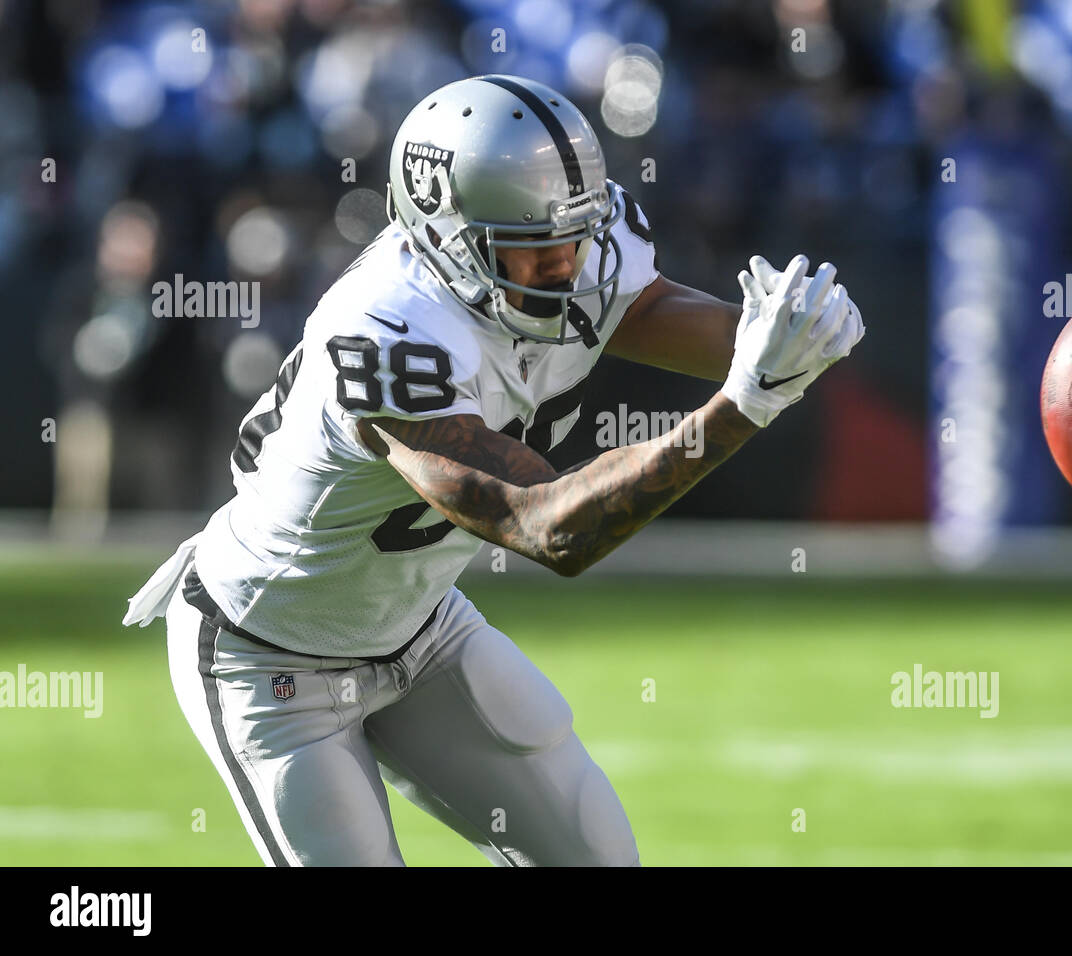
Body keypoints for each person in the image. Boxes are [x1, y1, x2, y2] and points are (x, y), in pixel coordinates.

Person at [122, 74, 864, 866]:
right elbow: (545, 525)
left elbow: (635, 309)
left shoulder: (574, 251)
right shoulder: (387, 332)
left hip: (421, 625)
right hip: (270, 656)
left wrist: (772, 339)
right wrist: (743, 404)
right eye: (533, 247)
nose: (564, 267)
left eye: (574, 239)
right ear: (443, 234)